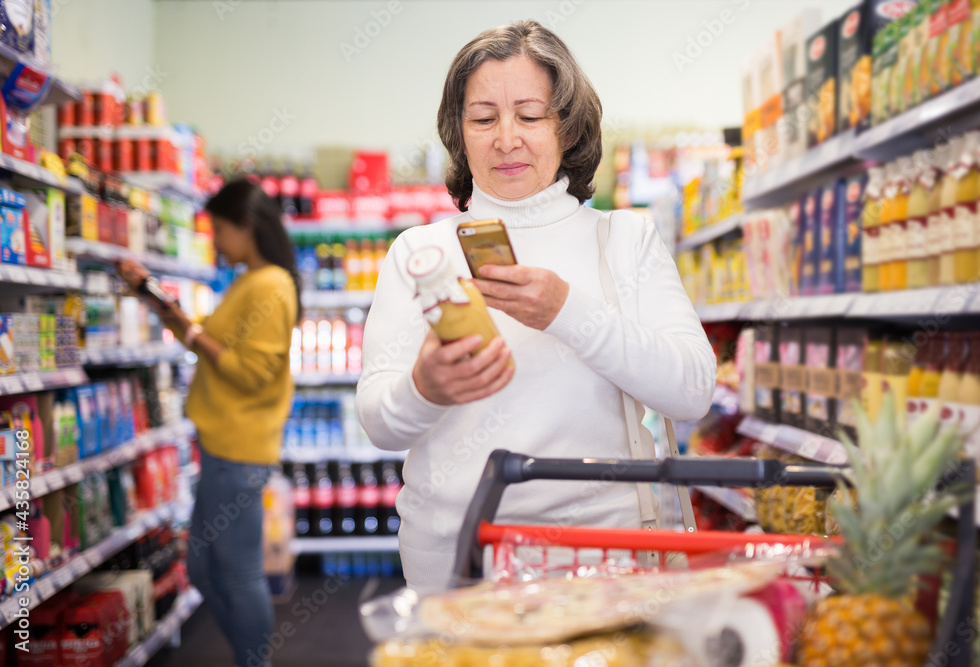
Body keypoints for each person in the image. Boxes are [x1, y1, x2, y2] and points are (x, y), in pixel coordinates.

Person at [355, 20, 716, 594]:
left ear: (568, 128)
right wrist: (426, 387)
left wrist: (567, 312)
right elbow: (378, 421)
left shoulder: (625, 238)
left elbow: (692, 391)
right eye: (482, 118)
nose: (505, 139)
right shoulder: (421, 253)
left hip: (608, 561)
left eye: (529, 115)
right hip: (459, 561)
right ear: (458, 132)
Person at [119, 179, 300, 667]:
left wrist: (197, 336)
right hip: (224, 446)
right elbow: (211, 343)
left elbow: (253, 373)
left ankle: (252, 661)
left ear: (246, 228)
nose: (215, 240)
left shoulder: (270, 286)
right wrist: (155, 299)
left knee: (237, 572)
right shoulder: (249, 279)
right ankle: (248, 655)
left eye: (220, 229)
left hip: (240, 450)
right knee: (201, 565)